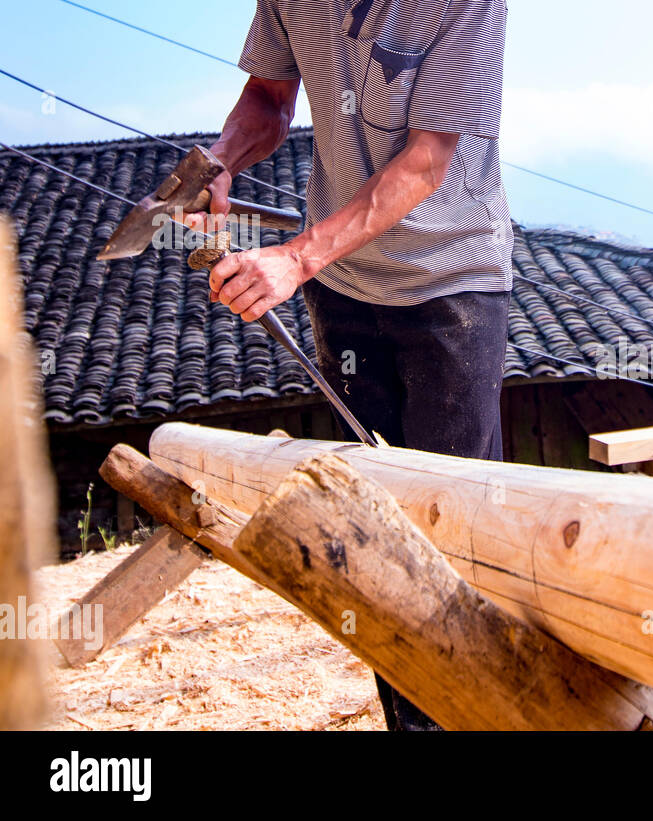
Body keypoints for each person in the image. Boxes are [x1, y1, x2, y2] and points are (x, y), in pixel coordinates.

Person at [186, 0, 512, 731]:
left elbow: (428, 157)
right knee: (372, 529)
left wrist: (295, 257)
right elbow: (269, 100)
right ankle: (409, 721)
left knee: (455, 532)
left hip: (451, 281)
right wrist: (218, 162)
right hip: (343, 286)